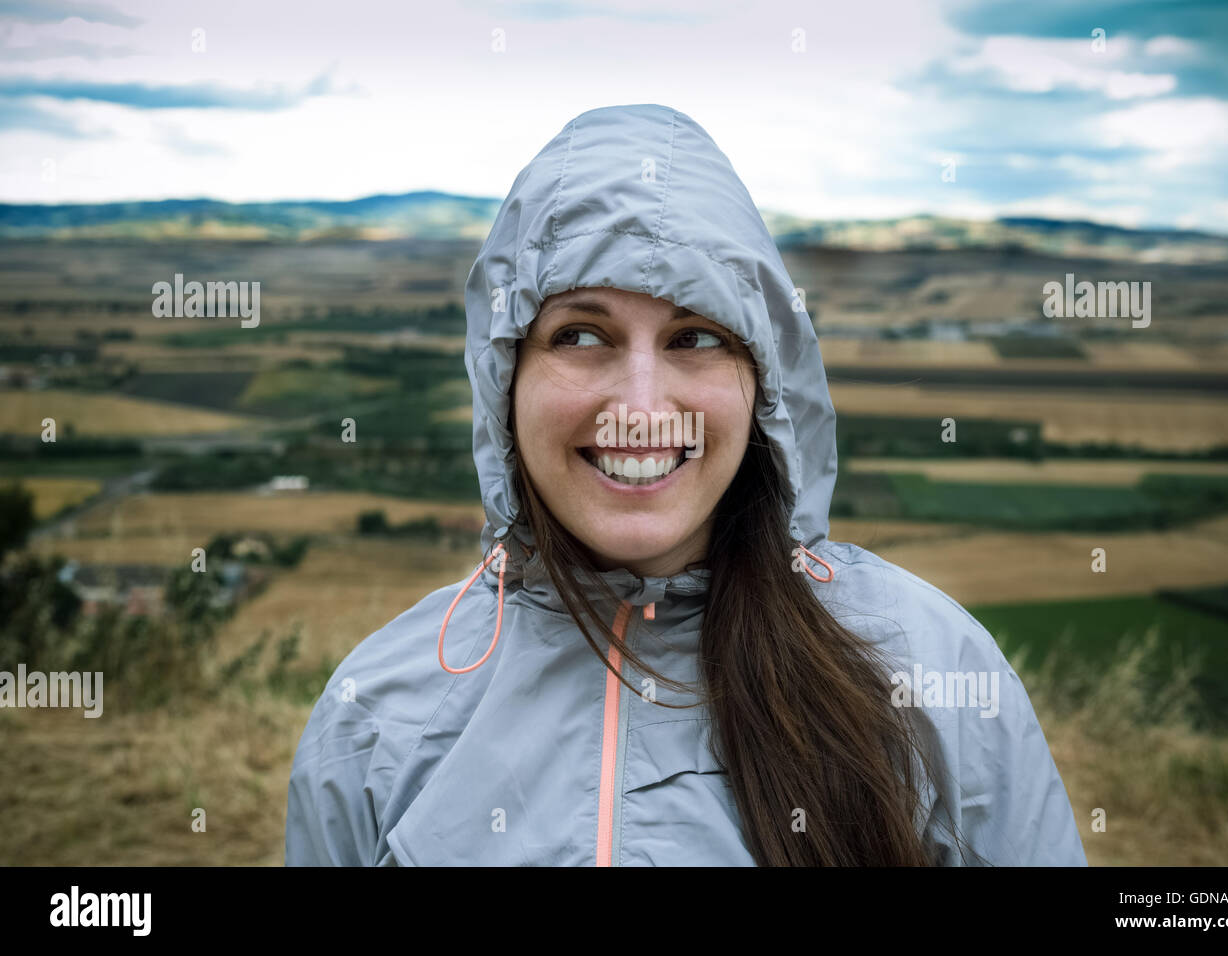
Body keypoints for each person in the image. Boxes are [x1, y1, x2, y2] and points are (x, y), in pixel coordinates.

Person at [284, 103, 1088, 867]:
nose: (640, 407)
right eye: (581, 334)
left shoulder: (929, 668)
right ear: (506, 379)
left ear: (764, 383)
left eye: (694, 337)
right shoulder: (378, 711)